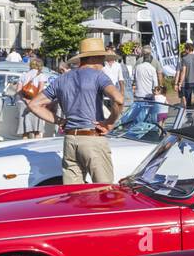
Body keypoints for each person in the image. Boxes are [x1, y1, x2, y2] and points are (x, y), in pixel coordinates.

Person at [27, 36, 123, 184]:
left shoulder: (62, 79)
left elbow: (34, 104)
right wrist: (109, 122)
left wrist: (60, 121)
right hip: (92, 138)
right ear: (94, 58)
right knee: (104, 192)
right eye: (102, 58)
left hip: (70, 139)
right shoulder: (99, 76)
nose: (104, 62)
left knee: (73, 194)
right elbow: (118, 99)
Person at [16, 58, 48, 137]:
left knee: (25, 131)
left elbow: (18, 91)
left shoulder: (23, 75)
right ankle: (35, 147)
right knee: (36, 130)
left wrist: (26, 99)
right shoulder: (41, 76)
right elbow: (40, 91)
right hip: (35, 104)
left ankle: (23, 147)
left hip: (23, 103)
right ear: (40, 66)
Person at [176, 42, 194, 119]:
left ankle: (189, 116)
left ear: (187, 49)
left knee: (188, 100)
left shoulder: (185, 59)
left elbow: (183, 72)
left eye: (185, 49)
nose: (185, 50)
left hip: (188, 82)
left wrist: (180, 83)